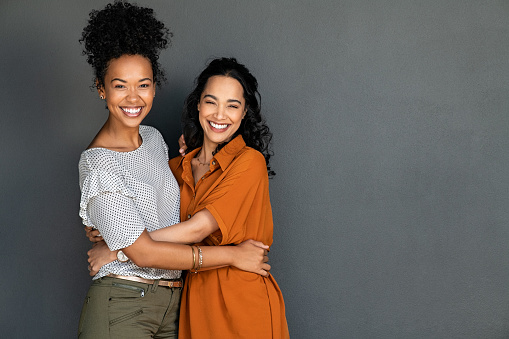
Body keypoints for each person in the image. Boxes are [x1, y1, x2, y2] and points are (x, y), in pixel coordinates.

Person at [77, 2, 269, 338]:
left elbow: (179, 224)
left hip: (181, 304)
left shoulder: (154, 142)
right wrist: (126, 246)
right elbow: (149, 245)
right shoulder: (101, 164)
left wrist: (115, 247)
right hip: (127, 301)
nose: (133, 97)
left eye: (144, 84)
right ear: (101, 87)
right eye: (120, 85)